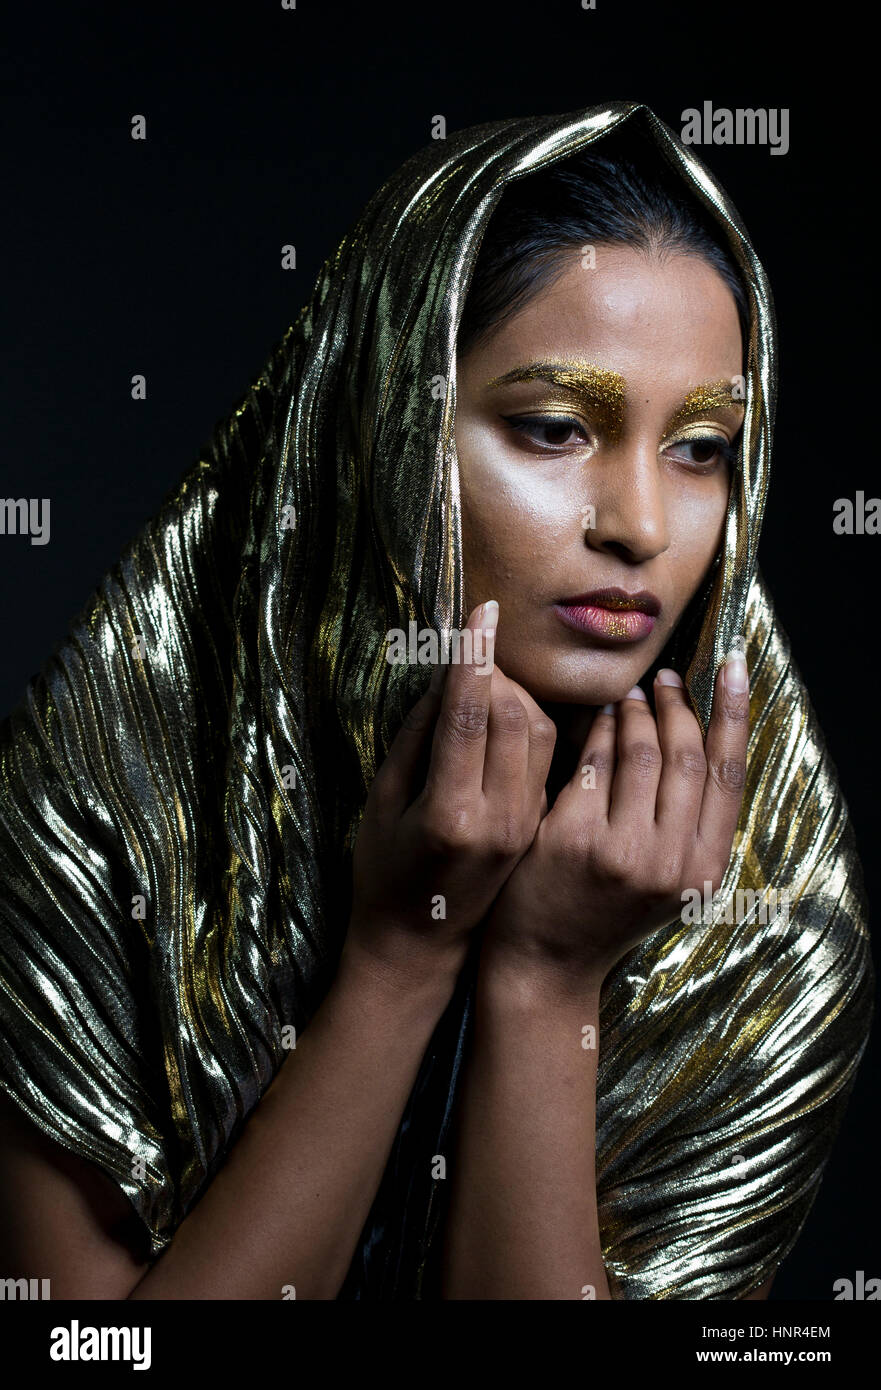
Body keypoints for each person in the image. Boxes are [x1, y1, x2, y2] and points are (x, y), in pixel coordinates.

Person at [0, 101, 872, 1300]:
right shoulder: (101, 810)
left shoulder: (766, 919)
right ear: (383, 427)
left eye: (701, 447)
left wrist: (547, 979)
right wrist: (399, 955)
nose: (639, 524)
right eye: (555, 427)